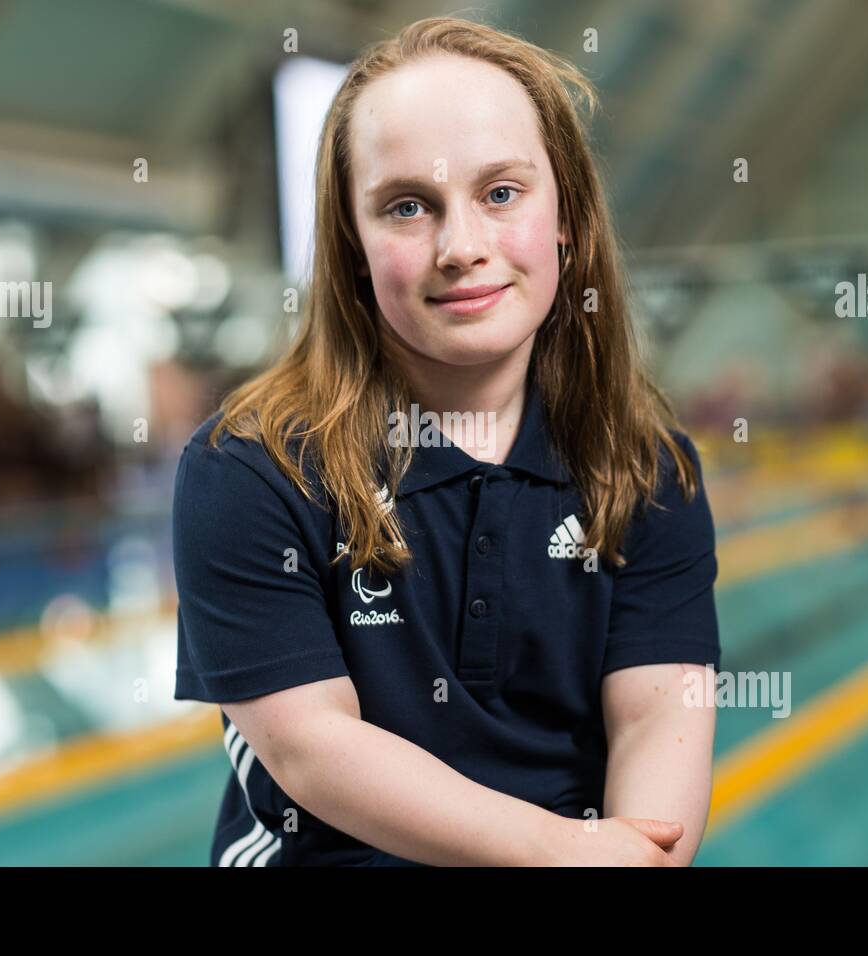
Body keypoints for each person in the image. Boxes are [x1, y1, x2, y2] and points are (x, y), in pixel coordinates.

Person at [172, 16, 719, 866]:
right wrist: (564, 856)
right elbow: (312, 748)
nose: (462, 248)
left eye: (501, 194)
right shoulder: (251, 469)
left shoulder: (647, 469)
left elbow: (657, 714)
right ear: (351, 245)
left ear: (566, 216)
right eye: (407, 207)